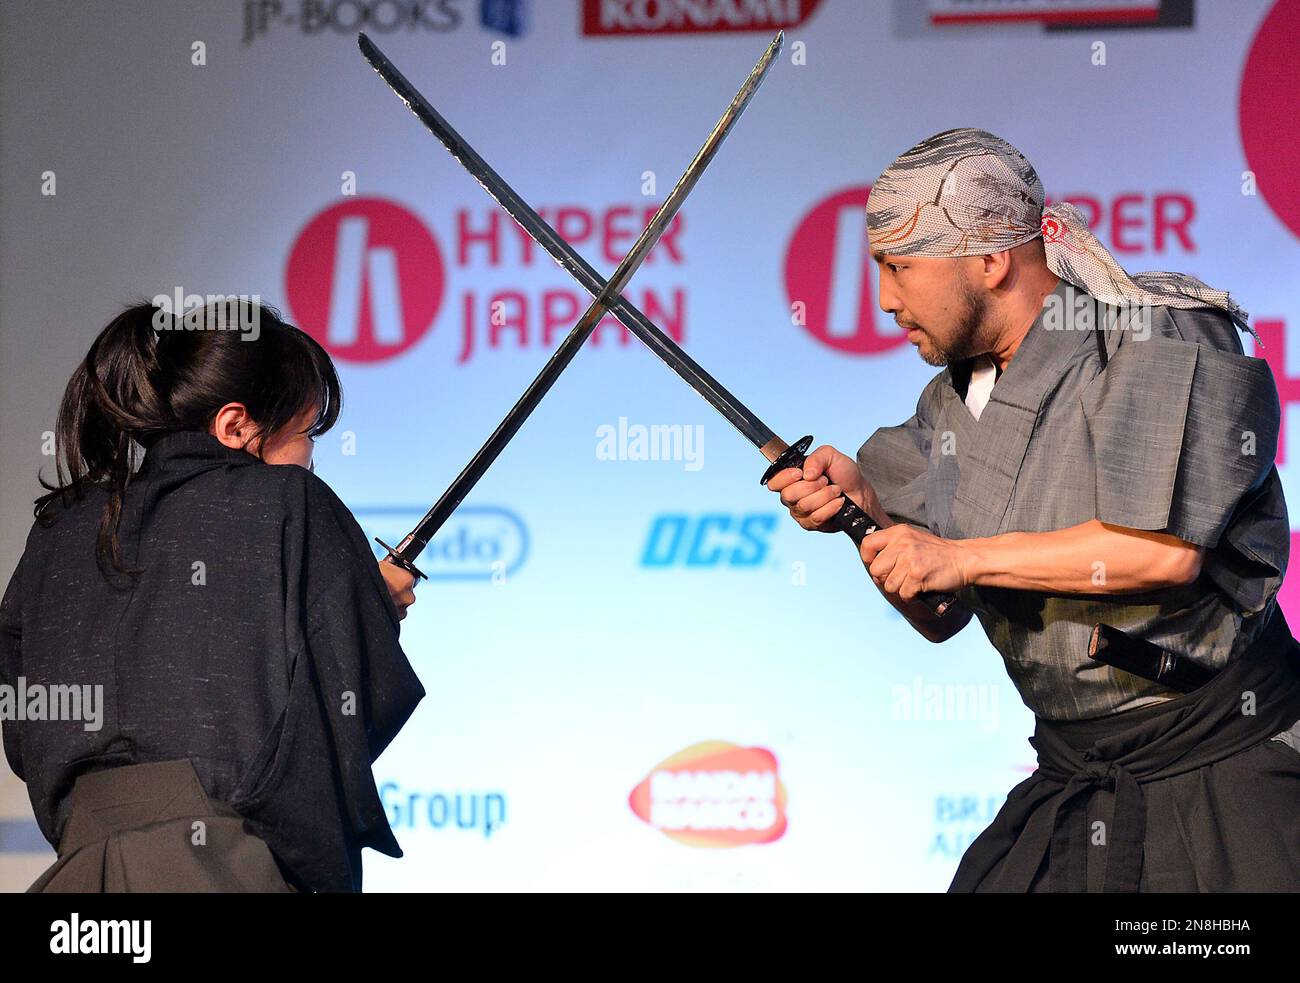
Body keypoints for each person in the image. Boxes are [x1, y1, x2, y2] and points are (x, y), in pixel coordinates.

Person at [767, 128, 1300, 892]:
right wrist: (870, 519)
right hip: (1075, 769)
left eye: (899, 266)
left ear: (989, 261)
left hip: (1225, 765)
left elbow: (1162, 551)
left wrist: (959, 555)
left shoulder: (1152, 330)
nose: (884, 299)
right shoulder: (948, 410)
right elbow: (941, 616)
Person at [0, 298, 425, 892]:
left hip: (77, 873)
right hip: (225, 865)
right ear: (235, 426)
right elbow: (341, 718)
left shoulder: (59, 530)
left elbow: (23, 720)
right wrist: (368, 605)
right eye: (306, 433)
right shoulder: (290, 502)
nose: (309, 457)